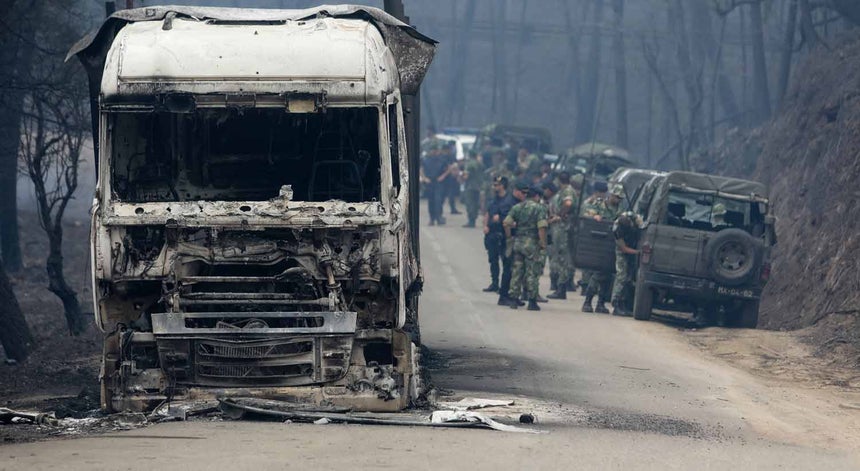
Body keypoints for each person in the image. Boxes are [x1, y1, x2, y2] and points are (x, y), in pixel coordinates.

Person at [504, 182, 548, 311]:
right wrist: (543, 242)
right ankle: (532, 301)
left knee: (517, 271)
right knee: (531, 272)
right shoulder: (540, 208)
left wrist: (509, 237)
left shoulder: (517, 207)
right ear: (536, 196)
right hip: (532, 244)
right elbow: (542, 227)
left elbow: (506, 223)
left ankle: (513, 299)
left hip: (518, 242)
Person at [581, 183, 623, 314]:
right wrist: (595, 216)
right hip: (598, 243)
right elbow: (586, 214)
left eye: (620, 198)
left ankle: (600, 303)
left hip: (612, 244)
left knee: (608, 275)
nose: (618, 200)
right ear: (611, 195)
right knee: (598, 273)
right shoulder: (599, 204)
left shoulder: (619, 209)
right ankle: (588, 301)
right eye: (616, 197)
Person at [483, 176, 517, 304]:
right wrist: (485, 225)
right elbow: (487, 213)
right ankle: (494, 283)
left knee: (506, 262)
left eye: (497, 185)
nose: (494, 187)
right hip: (492, 233)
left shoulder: (510, 201)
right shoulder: (493, 200)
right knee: (493, 260)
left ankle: (504, 288)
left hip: (503, 235)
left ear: (502, 185)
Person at [546, 172, 579, 300]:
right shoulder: (565, 190)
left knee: (563, 258)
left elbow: (568, 203)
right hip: (561, 228)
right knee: (560, 257)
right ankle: (560, 287)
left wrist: (560, 214)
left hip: (563, 228)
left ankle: (561, 288)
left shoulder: (567, 191)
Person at [611, 211, 643, 316]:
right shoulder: (618, 230)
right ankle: (616, 303)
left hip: (632, 248)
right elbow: (623, 249)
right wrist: (638, 252)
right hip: (623, 252)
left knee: (629, 279)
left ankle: (623, 304)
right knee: (621, 277)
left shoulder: (632, 217)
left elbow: (641, 225)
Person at [420, 140, 453, 225]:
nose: (434, 152)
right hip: (430, 182)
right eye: (433, 150)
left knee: (438, 200)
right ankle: (432, 219)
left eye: (436, 150)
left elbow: (449, 168)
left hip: (439, 182)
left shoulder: (442, 159)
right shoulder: (426, 159)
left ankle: (438, 217)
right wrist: (424, 178)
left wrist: (443, 176)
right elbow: (421, 169)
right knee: (431, 201)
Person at [460, 150, 485, 228]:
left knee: (470, 203)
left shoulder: (469, 164)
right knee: (475, 203)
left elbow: (466, 175)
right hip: (479, 186)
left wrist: (461, 178)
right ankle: (473, 220)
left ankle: (471, 221)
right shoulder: (480, 164)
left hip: (470, 186)